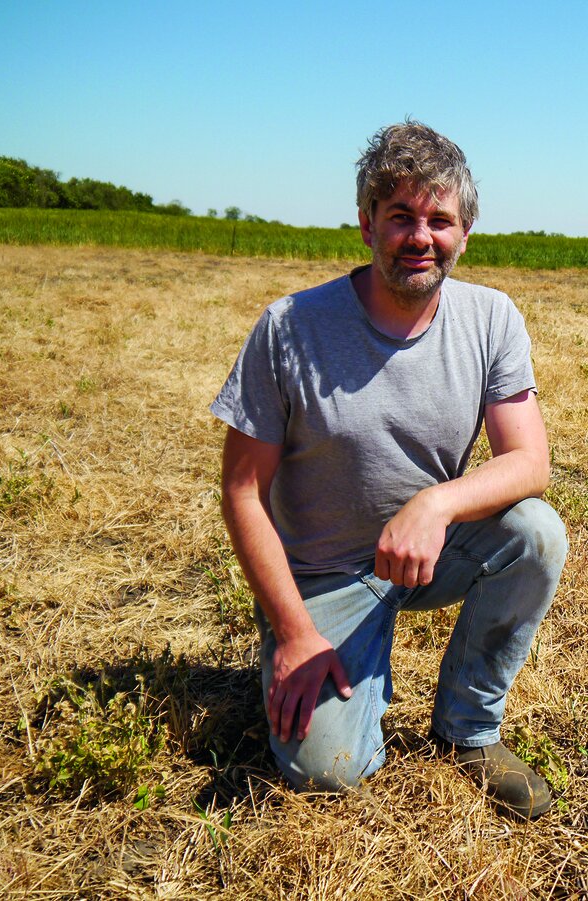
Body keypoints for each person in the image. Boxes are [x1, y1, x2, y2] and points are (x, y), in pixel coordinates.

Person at [210, 120, 567, 820]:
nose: (420, 236)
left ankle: (469, 727)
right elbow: (241, 490)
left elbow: (531, 462)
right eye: (400, 215)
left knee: (537, 533)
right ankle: (338, 656)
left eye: (439, 219)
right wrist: (293, 632)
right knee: (329, 772)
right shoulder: (288, 329)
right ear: (366, 224)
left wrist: (434, 505)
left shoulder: (491, 318)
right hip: (325, 572)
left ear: (466, 232)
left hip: (431, 553)